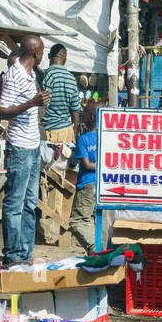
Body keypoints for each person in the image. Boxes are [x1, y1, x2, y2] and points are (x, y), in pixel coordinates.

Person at [0, 35, 50, 267]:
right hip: (18, 147)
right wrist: (32, 103)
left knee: (30, 203)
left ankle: (25, 252)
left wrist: (39, 102)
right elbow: (3, 112)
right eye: (42, 52)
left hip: (33, 145)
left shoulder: (32, 74)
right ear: (36, 54)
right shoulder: (15, 74)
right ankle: (12, 255)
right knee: (15, 203)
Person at [68, 99, 100, 251]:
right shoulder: (108, 138)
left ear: (91, 118)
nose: (83, 118)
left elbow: (86, 164)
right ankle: (98, 249)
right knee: (96, 221)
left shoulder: (84, 139)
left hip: (87, 185)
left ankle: (95, 249)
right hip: (102, 187)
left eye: (85, 115)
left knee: (77, 222)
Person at [41, 44, 82, 155]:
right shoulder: (71, 78)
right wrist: (73, 134)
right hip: (67, 132)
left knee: (48, 169)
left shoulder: (49, 75)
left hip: (50, 132)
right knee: (61, 169)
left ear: (49, 56)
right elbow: (75, 111)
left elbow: (44, 105)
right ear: (65, 59)